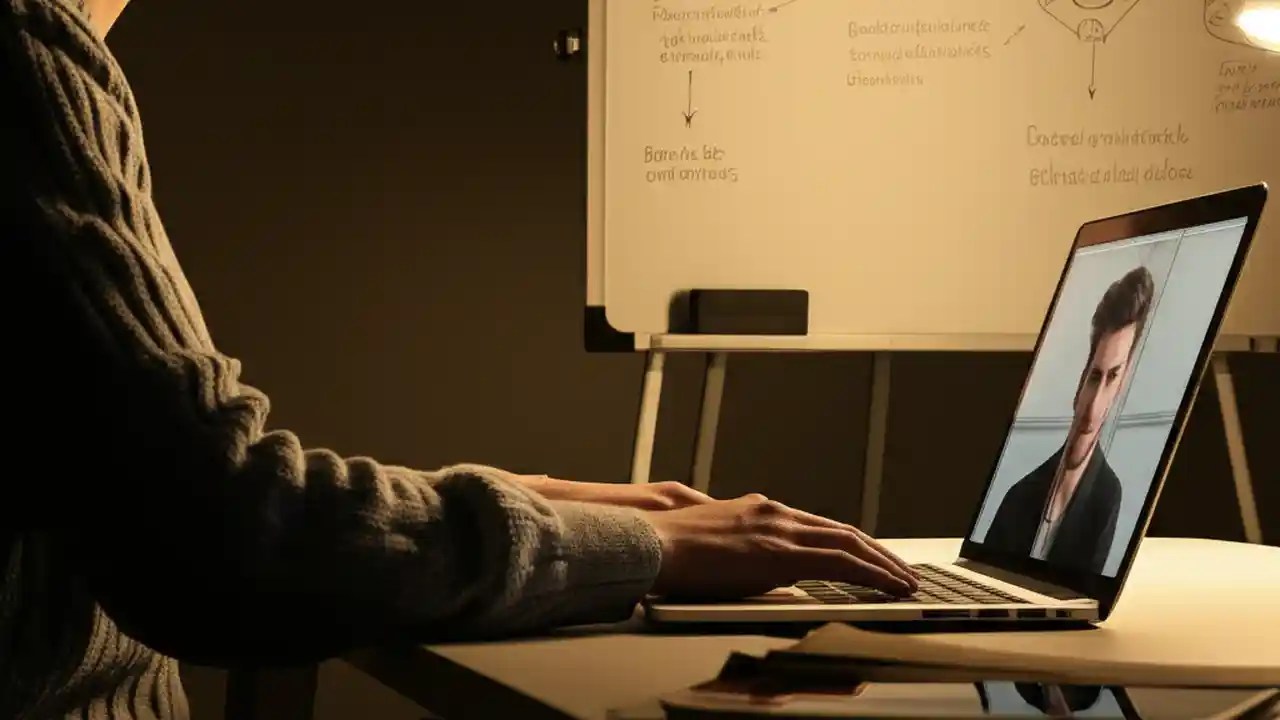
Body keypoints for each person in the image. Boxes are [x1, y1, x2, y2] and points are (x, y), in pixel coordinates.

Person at [0, 1, 919, 717]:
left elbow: (147, 488)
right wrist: (650, 547)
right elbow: (224, 536)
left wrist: (532, 503)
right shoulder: (23, 52)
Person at [983, 266, 1155, 575]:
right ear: (1081, 376)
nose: (1094, 405)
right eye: (1094, 376)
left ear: (1124, 381)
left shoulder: (1106, 496)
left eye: (1112, 377)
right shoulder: (1020, 494)